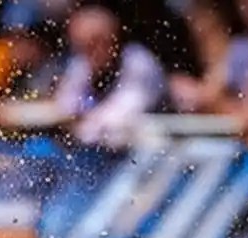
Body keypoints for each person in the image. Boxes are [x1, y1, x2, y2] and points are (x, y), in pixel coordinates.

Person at [41, 4, 166, 147]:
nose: (89, 52)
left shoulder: (139, 62)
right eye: (81, 46)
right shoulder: (82, 63)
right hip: (102, 149)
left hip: (153, 151)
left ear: (113, 38)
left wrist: (78, 123)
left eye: (95, 43)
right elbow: (64, 106)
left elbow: (120, 114)